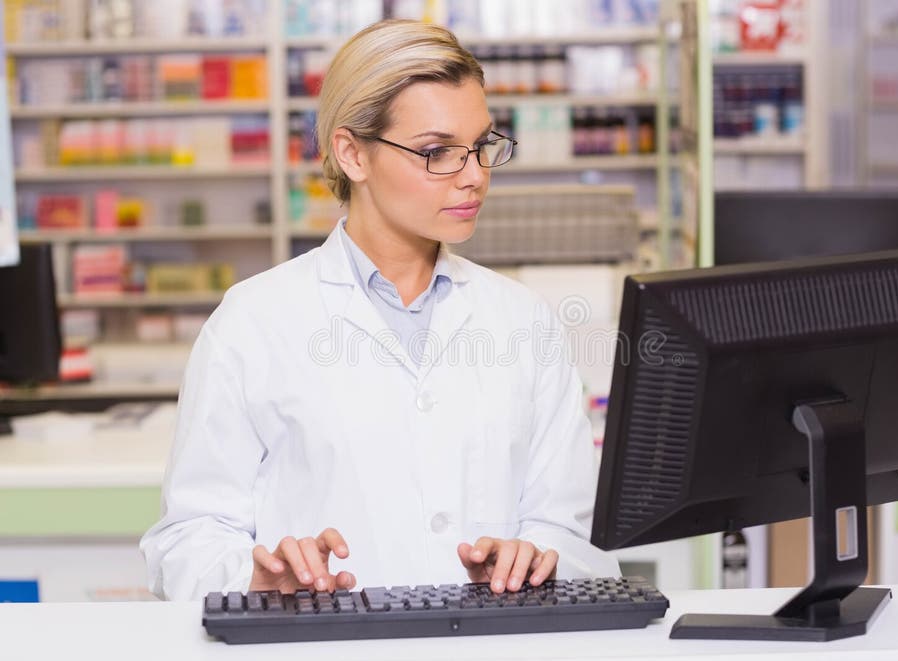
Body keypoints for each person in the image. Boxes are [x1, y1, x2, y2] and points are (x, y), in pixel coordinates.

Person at [140, 19, 620, 601]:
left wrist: (534, 559)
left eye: (483, 146)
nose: (474, 177)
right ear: (352, 155)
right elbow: (188, 536)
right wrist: (253, 578)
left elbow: (572, 531)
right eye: (437, 152)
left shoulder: (523, 321)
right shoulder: (251, 322)